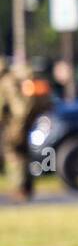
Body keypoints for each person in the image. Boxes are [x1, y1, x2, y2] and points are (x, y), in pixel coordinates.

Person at [0, 59, 50, 202]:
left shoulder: (6, 83)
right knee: (24, 155)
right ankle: (27, 189)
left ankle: (20, 189)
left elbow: (17, 108)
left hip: (16, 124)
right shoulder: (14, 80)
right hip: (27, 122)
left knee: (14, 155)